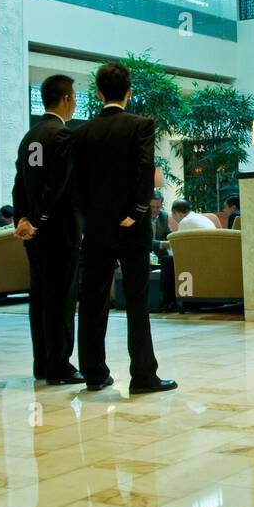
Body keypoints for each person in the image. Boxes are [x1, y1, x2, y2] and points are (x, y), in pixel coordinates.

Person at [72, 62, 176, 394]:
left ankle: (93, 372)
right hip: (133, 228)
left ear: (99, 92)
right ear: (128, 92)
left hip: (97, 228)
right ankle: (143, 375)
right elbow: (145, 170)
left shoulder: (82, 132)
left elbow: (77, 184)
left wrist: (90, 218)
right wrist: (136, 211)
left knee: (92, 300)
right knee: (136, 299)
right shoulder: (141, 125)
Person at [11, 74, 85, 385]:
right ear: (67, 99)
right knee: (62, 298)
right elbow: (57, 187)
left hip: (34, 234)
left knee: (40, 296)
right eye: (74, 98)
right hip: (59, 231)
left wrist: (23, 220)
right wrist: (39, 219)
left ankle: (42, 362)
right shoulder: (62, 136)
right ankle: (60, 365)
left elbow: (19, 186)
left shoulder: (30, 137)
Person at [150, 191, 176, 310]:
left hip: (159, 255)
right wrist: (162, 244)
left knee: (170, 262)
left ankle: (169, 301)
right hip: (142, 253)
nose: (155, 210)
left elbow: (168, 234)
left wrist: (176, 239)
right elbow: (141, 241)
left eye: (158, 207)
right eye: (152, 207)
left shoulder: (163, 216)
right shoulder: (140, 216)